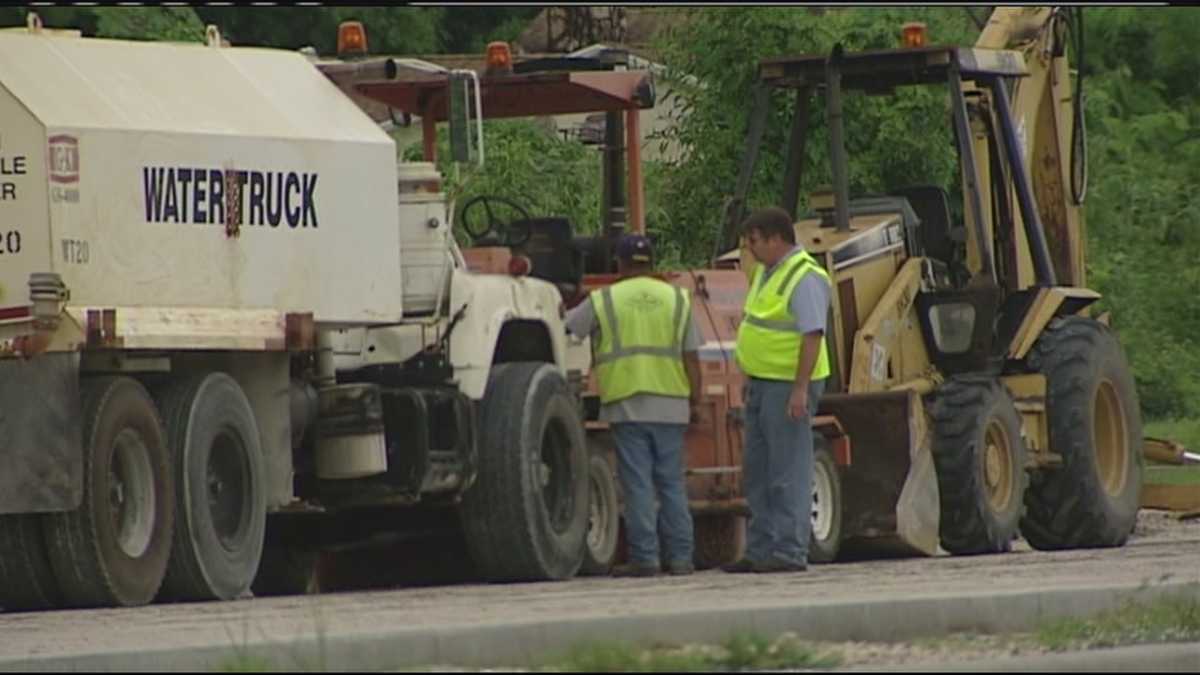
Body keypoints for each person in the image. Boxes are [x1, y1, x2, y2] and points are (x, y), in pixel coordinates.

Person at [564, 234, 703, 577]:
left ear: (619, 263)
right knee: (671, 482)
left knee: (638, 483)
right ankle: (682, 559)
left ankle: (646, 559)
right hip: (671, 403)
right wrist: (695, 401)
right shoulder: (678, 300)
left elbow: (569, 327)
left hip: (627, 404)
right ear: (653, 263)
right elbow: (692, 358)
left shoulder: (605, 299)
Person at [723, 206, 832, 574]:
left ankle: (789, 550)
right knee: (759, 469)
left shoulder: (804, 277)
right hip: (763, 383)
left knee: (787, 468)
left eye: (753, 241)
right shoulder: (767, 274)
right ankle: (761, 549)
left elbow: (812, 336)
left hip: (788, 385)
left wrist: (800, 389)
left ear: (774, 239)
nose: (749, 249)